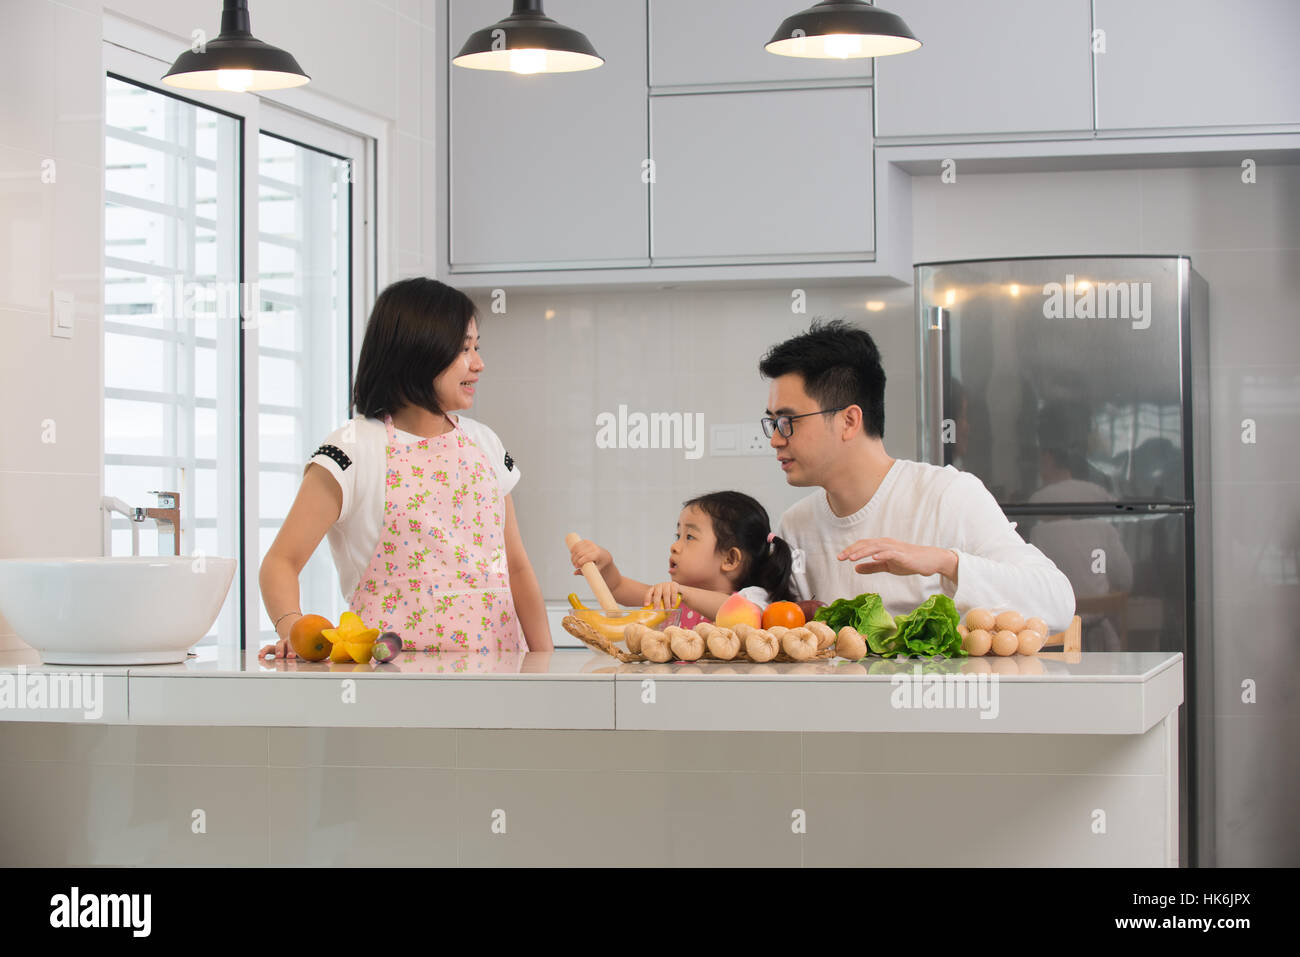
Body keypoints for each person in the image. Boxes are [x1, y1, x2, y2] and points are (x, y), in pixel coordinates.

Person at [258, 278, 551, 658]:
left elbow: (516, 569)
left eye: (476, 348)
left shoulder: (485, 444)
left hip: (498, 681)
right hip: (392, 689)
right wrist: (293, 628)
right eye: (464, 349)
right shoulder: (352, 449)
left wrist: (546, 667)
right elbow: (281, 561)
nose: (479, 364)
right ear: (419, 350)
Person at [759, 320, 1075, 632]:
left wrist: (945, 563)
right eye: (772, 422)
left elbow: (1057, 602)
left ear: (849, 421)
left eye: (788, 420)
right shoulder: (796, 525)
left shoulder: (949, 496)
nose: (775, 438)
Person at [567, 491, 797, 629]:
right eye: (678, 535)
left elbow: (746, 614)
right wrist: (605, 565)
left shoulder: (753, 598)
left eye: (689, 537)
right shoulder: (676, 597)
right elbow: (618, 587)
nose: (674, 546)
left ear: (729, 558)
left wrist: (684, 593)